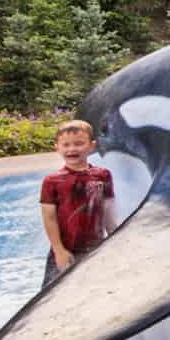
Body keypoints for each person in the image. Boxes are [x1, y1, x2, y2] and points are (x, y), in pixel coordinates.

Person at [39, 119, 112, 286]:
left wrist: (114, 240)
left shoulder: (103, 175)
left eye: (79, 144)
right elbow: (49, 218)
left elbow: (108, 210)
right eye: (66, 145)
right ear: (57, 147)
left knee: (97, 290)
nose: (72, 149)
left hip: (95, 248)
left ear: (92, 145)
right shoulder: (52, 181)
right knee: (53, 293)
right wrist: (59, 250)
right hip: (66, 249)